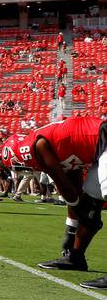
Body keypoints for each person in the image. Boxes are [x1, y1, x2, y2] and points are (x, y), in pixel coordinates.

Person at [14, 115, 105, 283]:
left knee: (89, 208)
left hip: (103, 137)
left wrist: (78, 214)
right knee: (92, 201)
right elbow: (74, 190)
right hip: (100, 144)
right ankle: (75, 257)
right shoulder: (57, 145)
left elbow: (66, 189)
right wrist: (71, 229)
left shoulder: (38, 144)